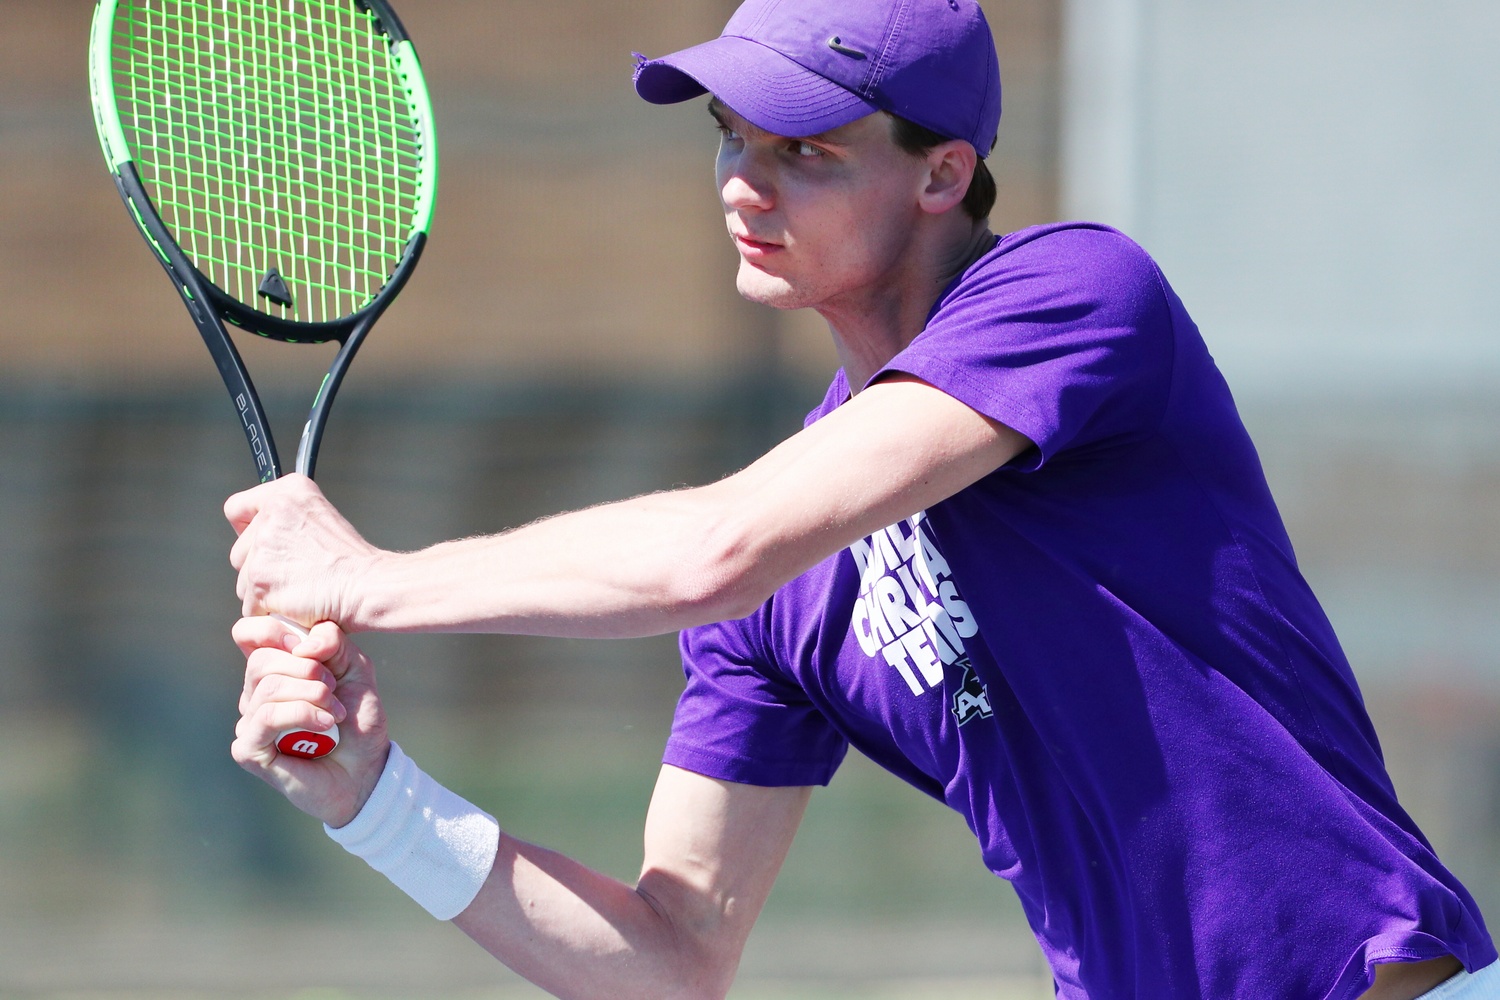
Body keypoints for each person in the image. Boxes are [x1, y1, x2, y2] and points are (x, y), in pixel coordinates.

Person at [224, 1, 1495, 997]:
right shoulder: (780, 591)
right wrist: (376, 800)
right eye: (729, 133)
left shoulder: (1077, 294)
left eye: (806, 150)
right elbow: (670, 960)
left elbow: (714, 549)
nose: (741, 180)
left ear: (943, 174)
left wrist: (368, 577)